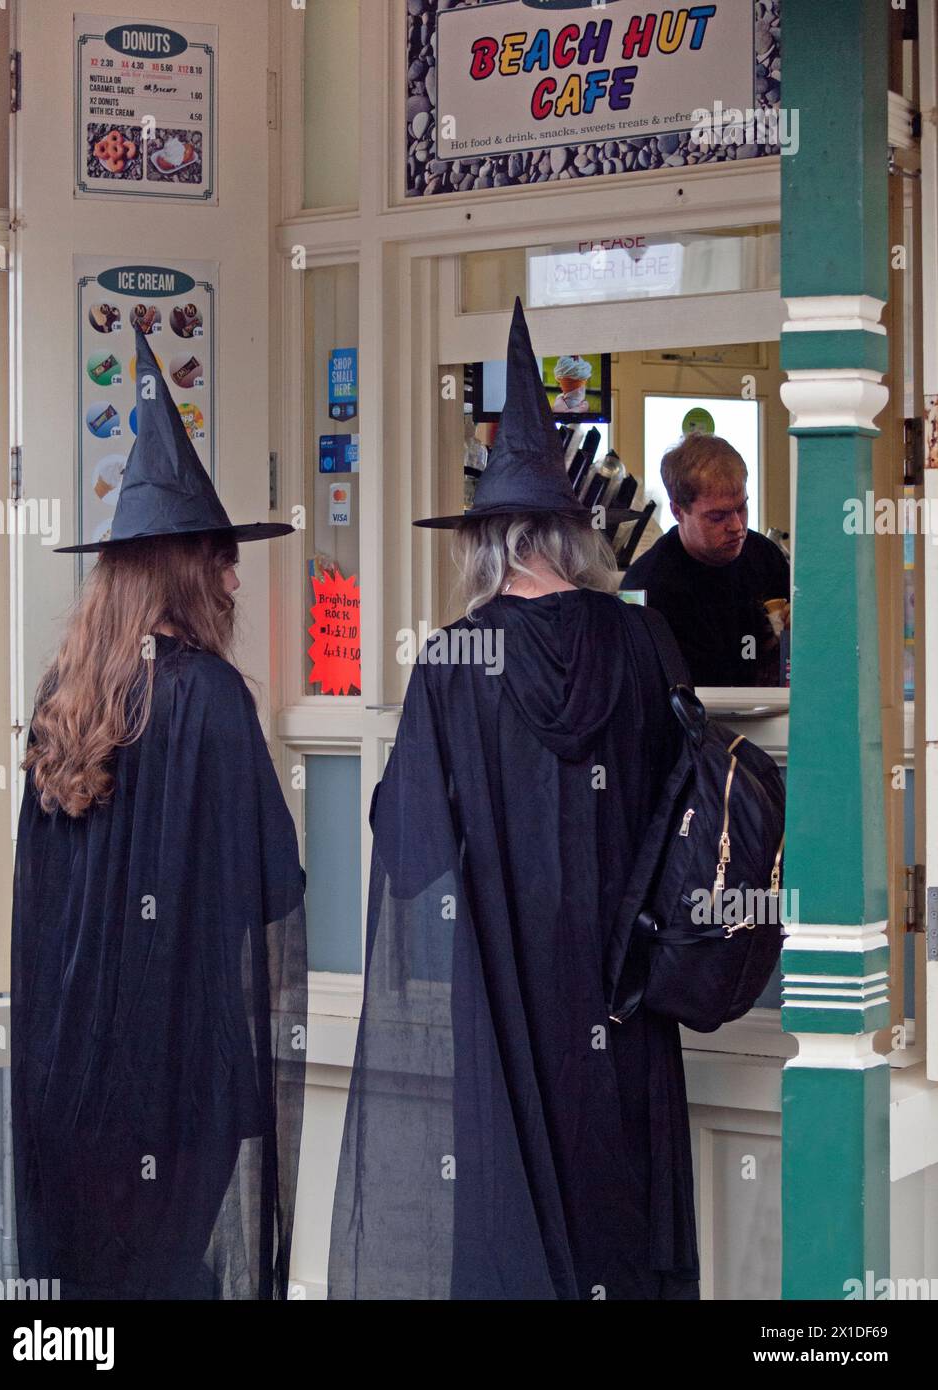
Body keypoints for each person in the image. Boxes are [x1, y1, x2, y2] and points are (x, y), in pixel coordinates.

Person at [328, 297, 698, 1300]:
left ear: (485, 542)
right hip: (622, 999)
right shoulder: (641, 641)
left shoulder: (454, 661)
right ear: (575, 538)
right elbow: (690, 805)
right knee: (618, 1226)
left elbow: (407, 853)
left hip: (500, 1010)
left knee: (507, 1241)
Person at [10, 326, 307, 1300]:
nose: (233, 579)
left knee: (93, 1294)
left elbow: (43, 897)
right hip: (180, 1071)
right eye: (223, 560)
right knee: (171, 1274)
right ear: (187, 567)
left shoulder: (64, 695)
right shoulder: (211, 699)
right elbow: (273, 884)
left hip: (69, 1073)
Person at [620, 432, 790, 686]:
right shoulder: (647, 587)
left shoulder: (763, 554)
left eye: (741, 508)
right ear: (678, 511)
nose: (736, 526)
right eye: (717, 517)